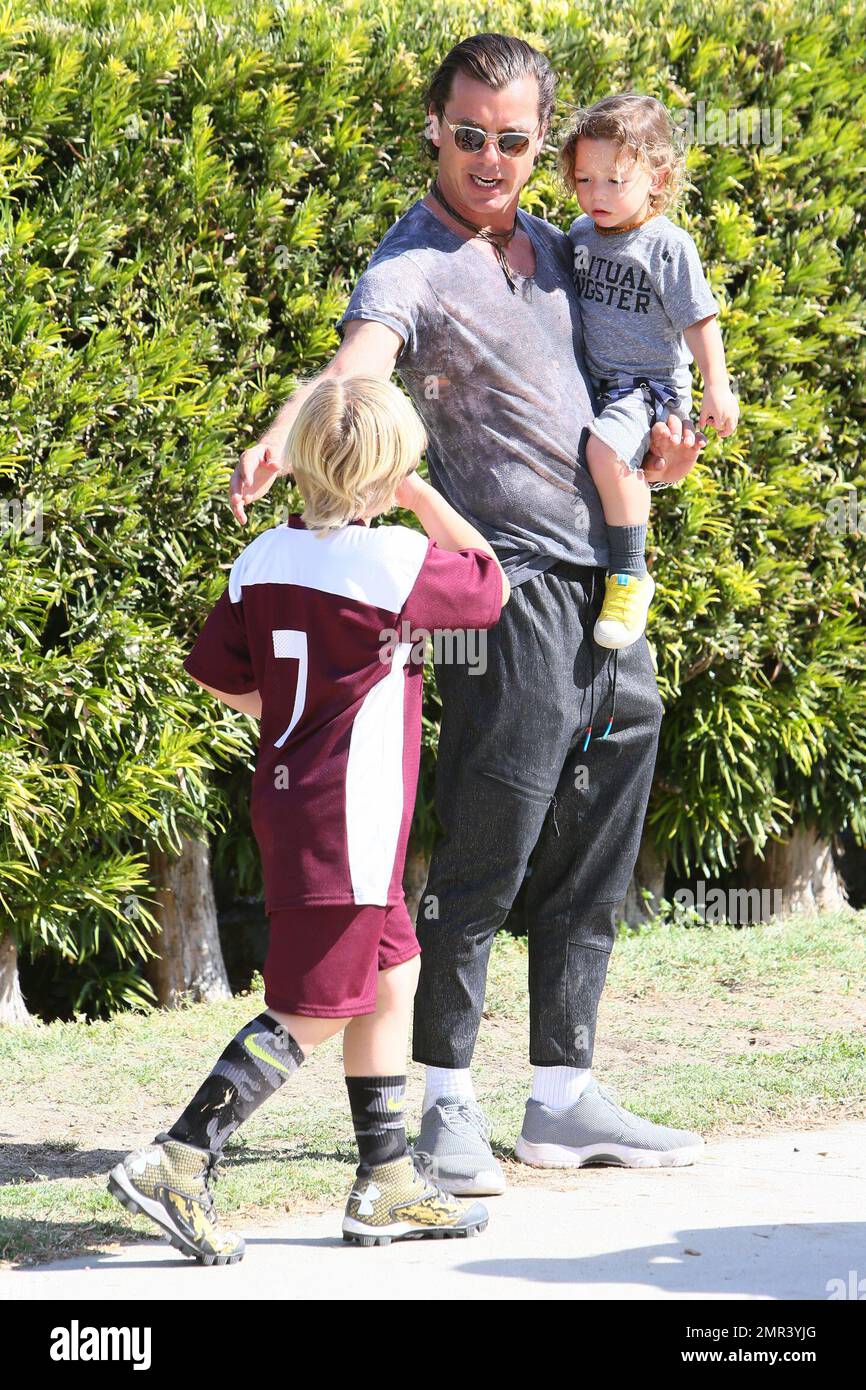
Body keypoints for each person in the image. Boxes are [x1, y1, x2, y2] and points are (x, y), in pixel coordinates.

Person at [229, 33, 708, 1198]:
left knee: (597, 834)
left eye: (513, 138)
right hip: (507, 592)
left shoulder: (558, 244)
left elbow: (630, 364)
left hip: (606, 575)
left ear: (540, 145)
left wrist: (662, 441)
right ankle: (445, 1093)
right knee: (490, 840)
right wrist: (294, 427)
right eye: (468, 134)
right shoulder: (412, 260)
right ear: (433, 131)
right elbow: (358, 366)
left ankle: (561, 1092)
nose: (489, 157)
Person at [107, 376, 509, 1260]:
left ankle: (386, 1178)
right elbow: (486, 585)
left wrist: (297, 707)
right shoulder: (394, 561)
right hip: (352, 819)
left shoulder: (262, 559)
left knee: (394, 969)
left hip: (296, 801)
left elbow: (215, 670)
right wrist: (418, 494)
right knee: (317, 1006)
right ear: (387, 472)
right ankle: (177, 1159)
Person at [561, 91, 739, 649]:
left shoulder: (667, 246)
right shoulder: (579, 234)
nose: (597, 195)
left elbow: (699, 319)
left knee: (606, 453)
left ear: (657, 178)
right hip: (599, 385)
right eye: (585, 180)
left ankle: (630, 575)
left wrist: (718, 385)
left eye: (615, 181)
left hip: (648, 389)